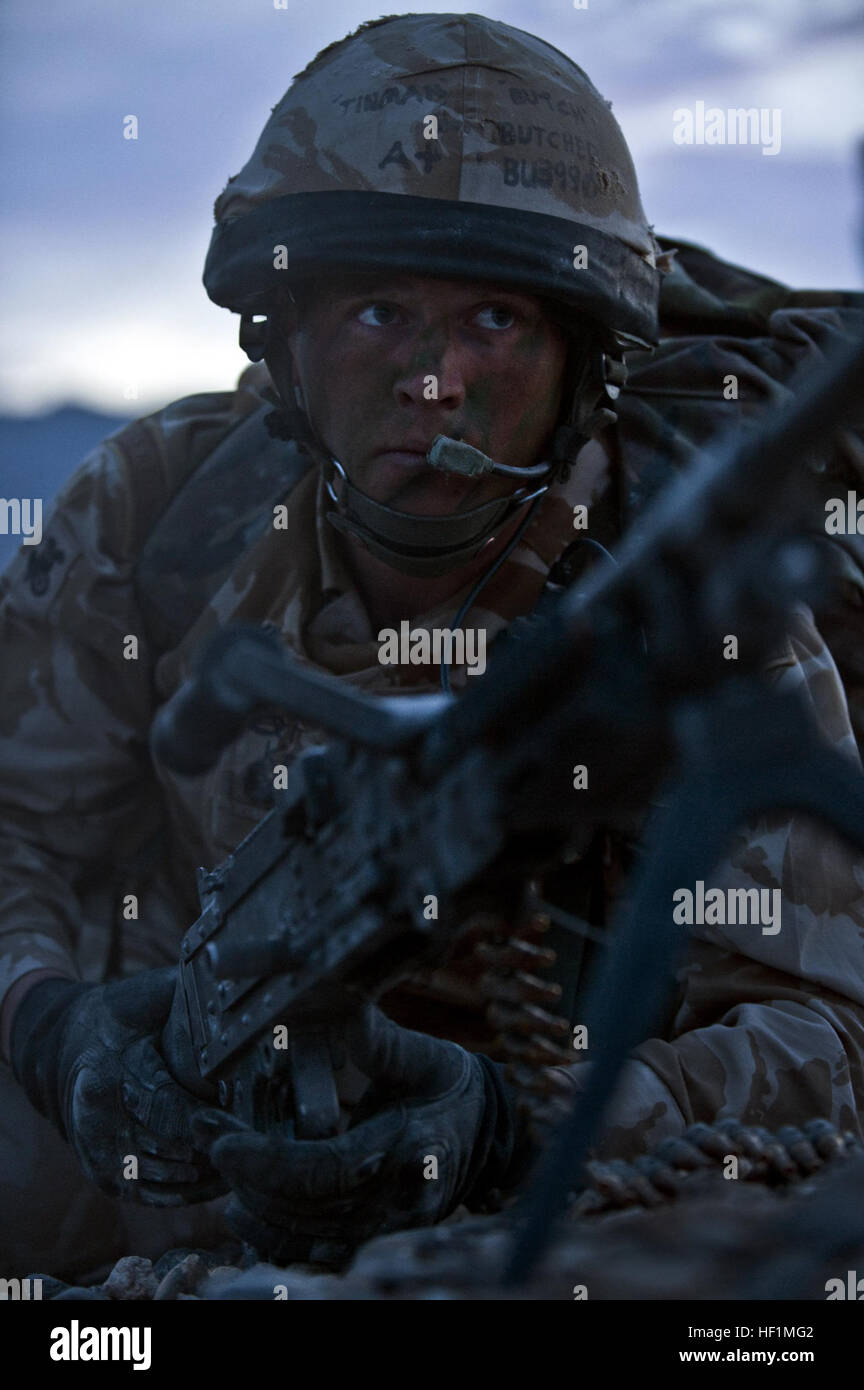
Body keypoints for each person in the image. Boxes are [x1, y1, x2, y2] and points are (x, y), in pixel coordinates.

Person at [1, 12, 863, 1278]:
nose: (433, 382)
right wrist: (53, 1026)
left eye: (497, 322)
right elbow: (18, 826)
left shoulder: (690, 611)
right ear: (283, 339)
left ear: (582, 363)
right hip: (180, 1151)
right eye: (379, 313)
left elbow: (828, 1032)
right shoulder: (156, 513)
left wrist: (512, 1128)